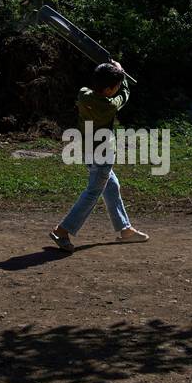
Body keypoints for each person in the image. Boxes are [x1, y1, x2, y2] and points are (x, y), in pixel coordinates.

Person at [48, 61, 149, 252]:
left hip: (85, 149)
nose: (118, 88)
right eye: (116, 85)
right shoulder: (109, 106)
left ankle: (125, 229)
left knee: (111, 186)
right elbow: (124, 96)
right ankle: (62, 230)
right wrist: (123, 76)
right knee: (93, 192)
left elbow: (105, 87)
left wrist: (115, 73)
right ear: (110, 89)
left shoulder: (83, 93)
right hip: (102, 153)